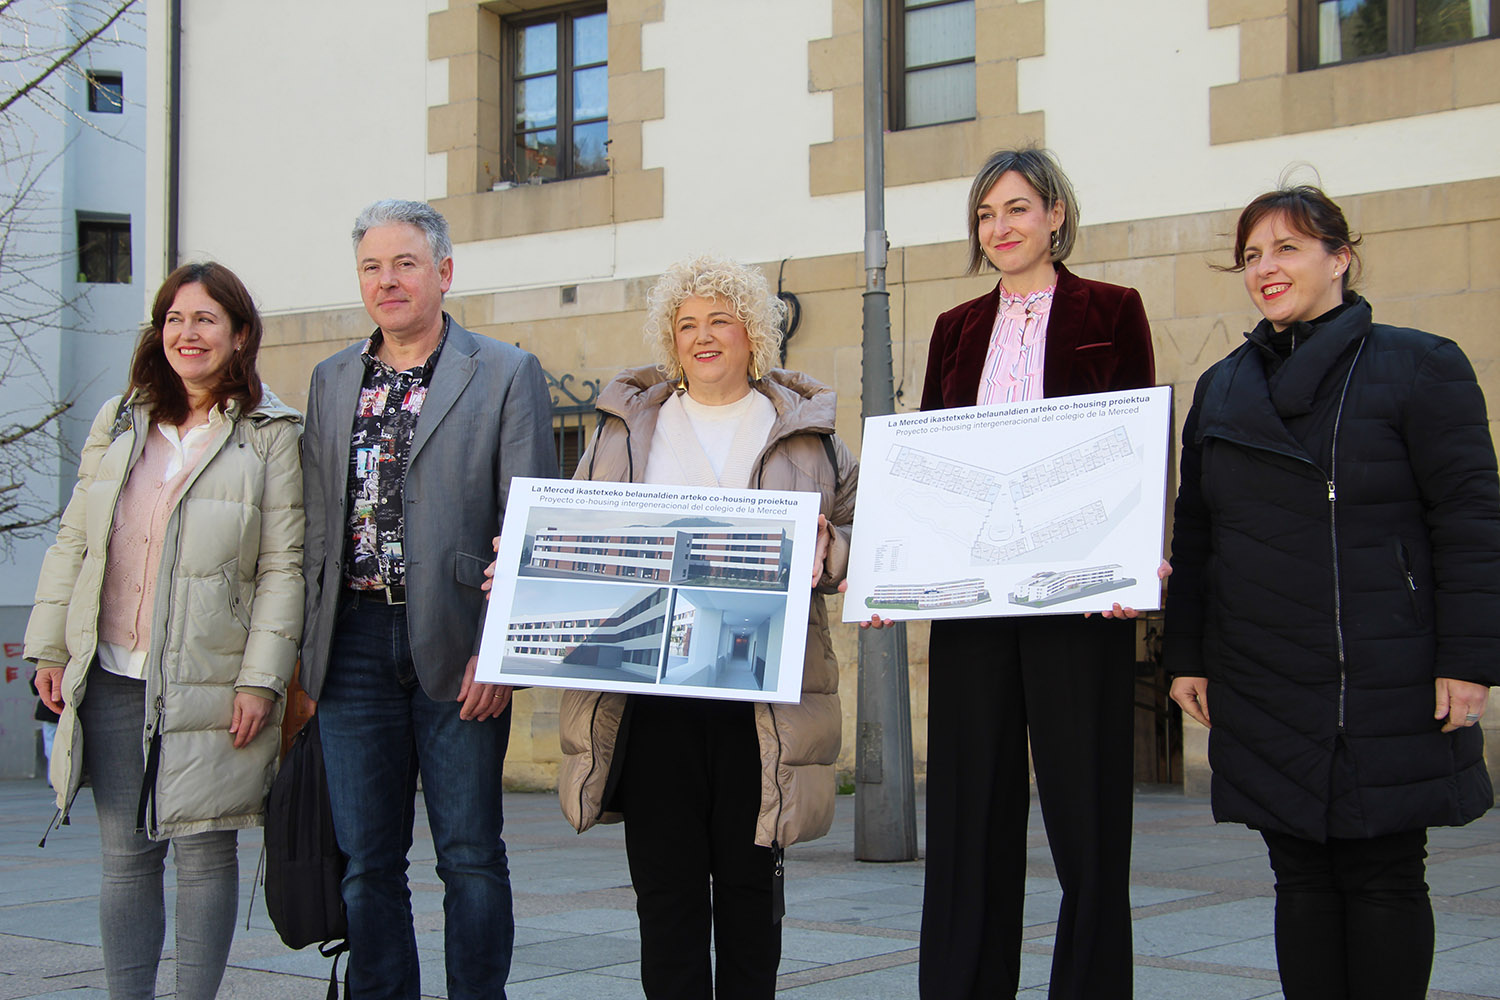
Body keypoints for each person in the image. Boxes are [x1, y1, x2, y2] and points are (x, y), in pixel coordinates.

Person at [1165, 184, 1499, 1000]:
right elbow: (1197, 534)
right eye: (1251, 255)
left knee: (1384, 870)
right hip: (1265, 668)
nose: (1265, 269)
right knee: (1298, 873)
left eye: (1286, 248)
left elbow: (1470, 522)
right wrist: (1186, 655)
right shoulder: (1222, 386)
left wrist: (1469, 660)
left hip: (1383, 667)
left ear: (1340, 257)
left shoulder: (1421, 365)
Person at [551, 254, 857, 999]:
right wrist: (532, 554)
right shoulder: (626, 433)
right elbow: (578, 531)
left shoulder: (804, 435)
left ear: (753, 332)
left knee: (753, 896)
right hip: (652, 700)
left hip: (762, 705)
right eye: (686, 324)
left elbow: (863, 532)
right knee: (666, 896)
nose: (703, 336)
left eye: (720, 319)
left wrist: (832, 549)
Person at [907, 147, 1155, 1000]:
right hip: (974, 604)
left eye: (1016, 209)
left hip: (1080, 601)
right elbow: (931, 470)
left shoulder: (1113, 311)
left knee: (1086, 819)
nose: (1000, 228)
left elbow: (1132, 447)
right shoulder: (954, 329)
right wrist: (900, 574)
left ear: (1054, 215)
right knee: (969, 814)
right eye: (985, 215)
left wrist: (1134, 559)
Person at [299, 199, 556, 1000]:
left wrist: (502, 649)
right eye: (372, 267)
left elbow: (527, 524)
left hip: (459, 642)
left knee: (471, 853)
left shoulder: (506, 371)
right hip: (352, 645)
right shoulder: (332, 378)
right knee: (368, 859)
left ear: (443, 273)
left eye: (405, 263)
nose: (388, 281)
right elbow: (314, 522)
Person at [25, 262, 304, 1000]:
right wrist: (51, 645)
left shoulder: (270, 433)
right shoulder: (121, 419)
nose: (189, 333)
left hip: (211, 679)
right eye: (176, 319)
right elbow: (74, 541)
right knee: (126, 857)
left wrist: (260, 678)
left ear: (239, 334)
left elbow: (284, 568)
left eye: (207, 319)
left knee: (206, 855)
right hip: (114, 672)